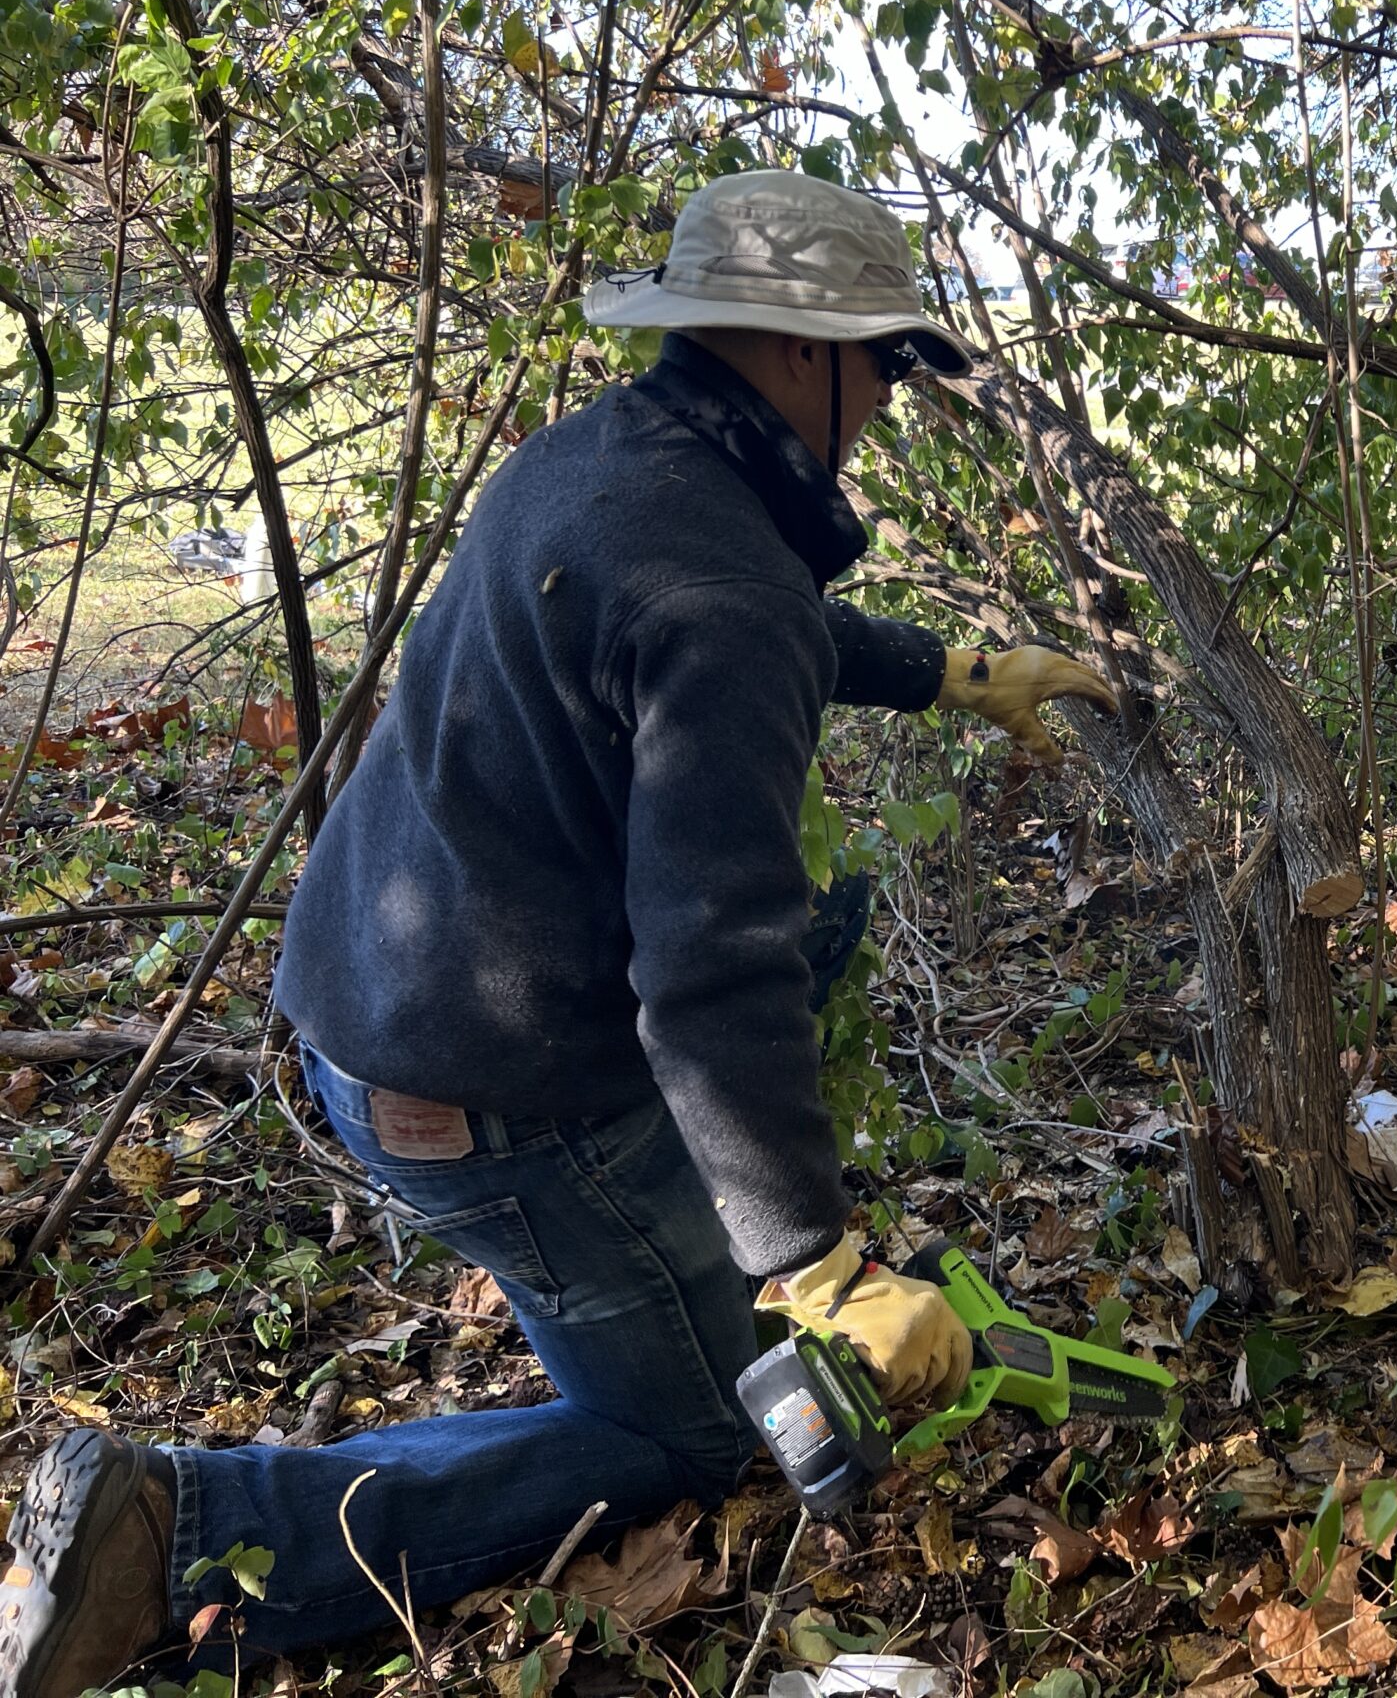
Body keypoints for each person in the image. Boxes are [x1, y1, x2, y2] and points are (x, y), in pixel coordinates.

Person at [0, 169, 1117, 1695]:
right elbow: (714, 963)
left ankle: (668, 1273)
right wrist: (816, 1267)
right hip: (496, 1099)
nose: (887, 407)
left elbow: (705, 624)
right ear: (804, 354)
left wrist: (946, 668)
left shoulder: (603, 459)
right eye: (885, 367)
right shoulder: (721, 580)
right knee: (702, 1427)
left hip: (372, 998)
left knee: (786, 1051)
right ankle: (183, 1530)